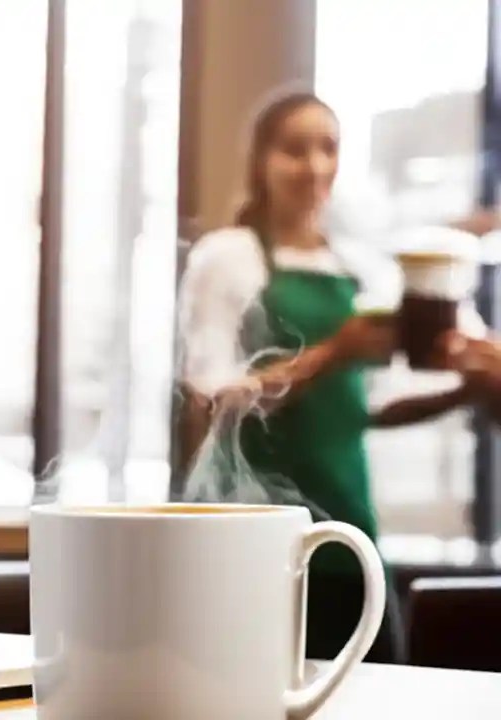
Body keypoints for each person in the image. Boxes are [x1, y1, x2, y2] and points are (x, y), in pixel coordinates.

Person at [177, 91, 490, 665]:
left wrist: (472, 384)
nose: (315, 166)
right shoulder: (227, 259)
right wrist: (331, 354)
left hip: (353, 535)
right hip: (256, 547)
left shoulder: (361, 268)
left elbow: (373, 410)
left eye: (329, 149)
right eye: (295, 150)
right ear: (261, 162)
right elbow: (215, 402)